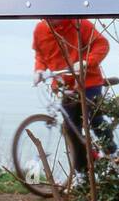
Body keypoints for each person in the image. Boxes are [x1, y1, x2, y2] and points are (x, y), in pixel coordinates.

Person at [33, 18, 111, 176]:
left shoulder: (80, 24)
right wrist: (39, 70)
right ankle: (82, 175)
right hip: (65, 86)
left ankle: (112, 153)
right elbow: (40, 54)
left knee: (95, 120)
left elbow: (102, 44)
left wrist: (85, 62)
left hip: (89, 81)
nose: (50, 20)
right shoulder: (40, 29)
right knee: (71, 130)